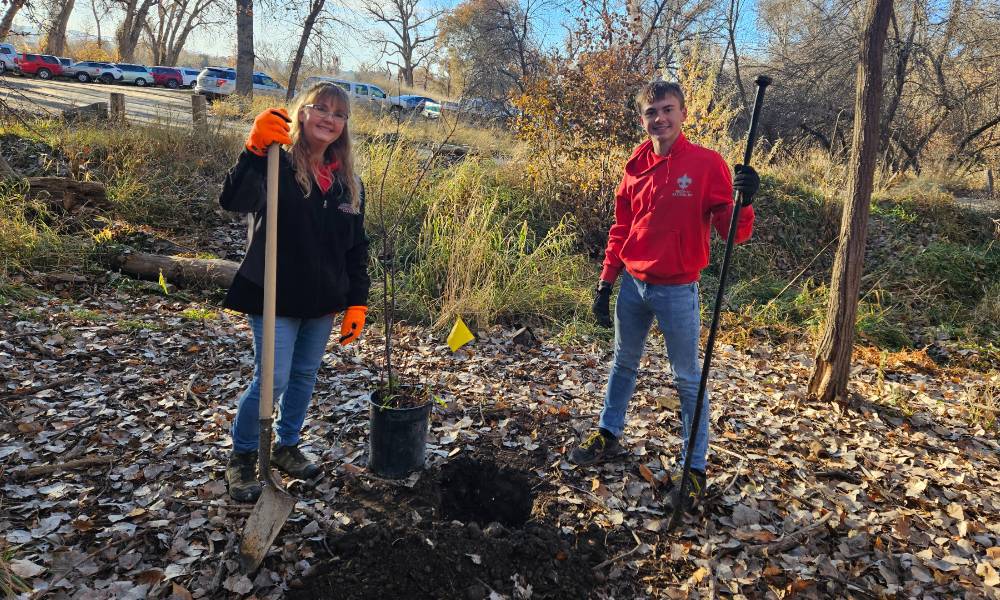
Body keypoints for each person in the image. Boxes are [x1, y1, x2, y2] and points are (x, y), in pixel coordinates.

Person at [569, 80, 760, 513]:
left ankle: (693, 468)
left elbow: (735, 233)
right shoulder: (635, 163)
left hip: (677, 289)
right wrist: (605, 281)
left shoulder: (708, 164)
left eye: (668, 109)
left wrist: (744, 200)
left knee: (687, 377)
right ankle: (608, 432)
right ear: (643, 119)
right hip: (633, 286)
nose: (660, 118)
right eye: (652, 111)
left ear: (683, 114)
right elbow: (622, 228)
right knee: (623, 361)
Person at [219, 83, 370, 502]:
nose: (329, 118)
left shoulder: (346, 183)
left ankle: (286, 446)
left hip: (322, 301)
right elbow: (233, 200)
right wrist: (252, 150)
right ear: (301, 114)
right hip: (275, 294)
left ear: (345, 126)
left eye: (339, 114)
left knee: (304, 376)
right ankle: (244, 457)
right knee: (273, 379)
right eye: (320, 108)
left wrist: (357, 299)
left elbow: (357, 247)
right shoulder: (275, 164)